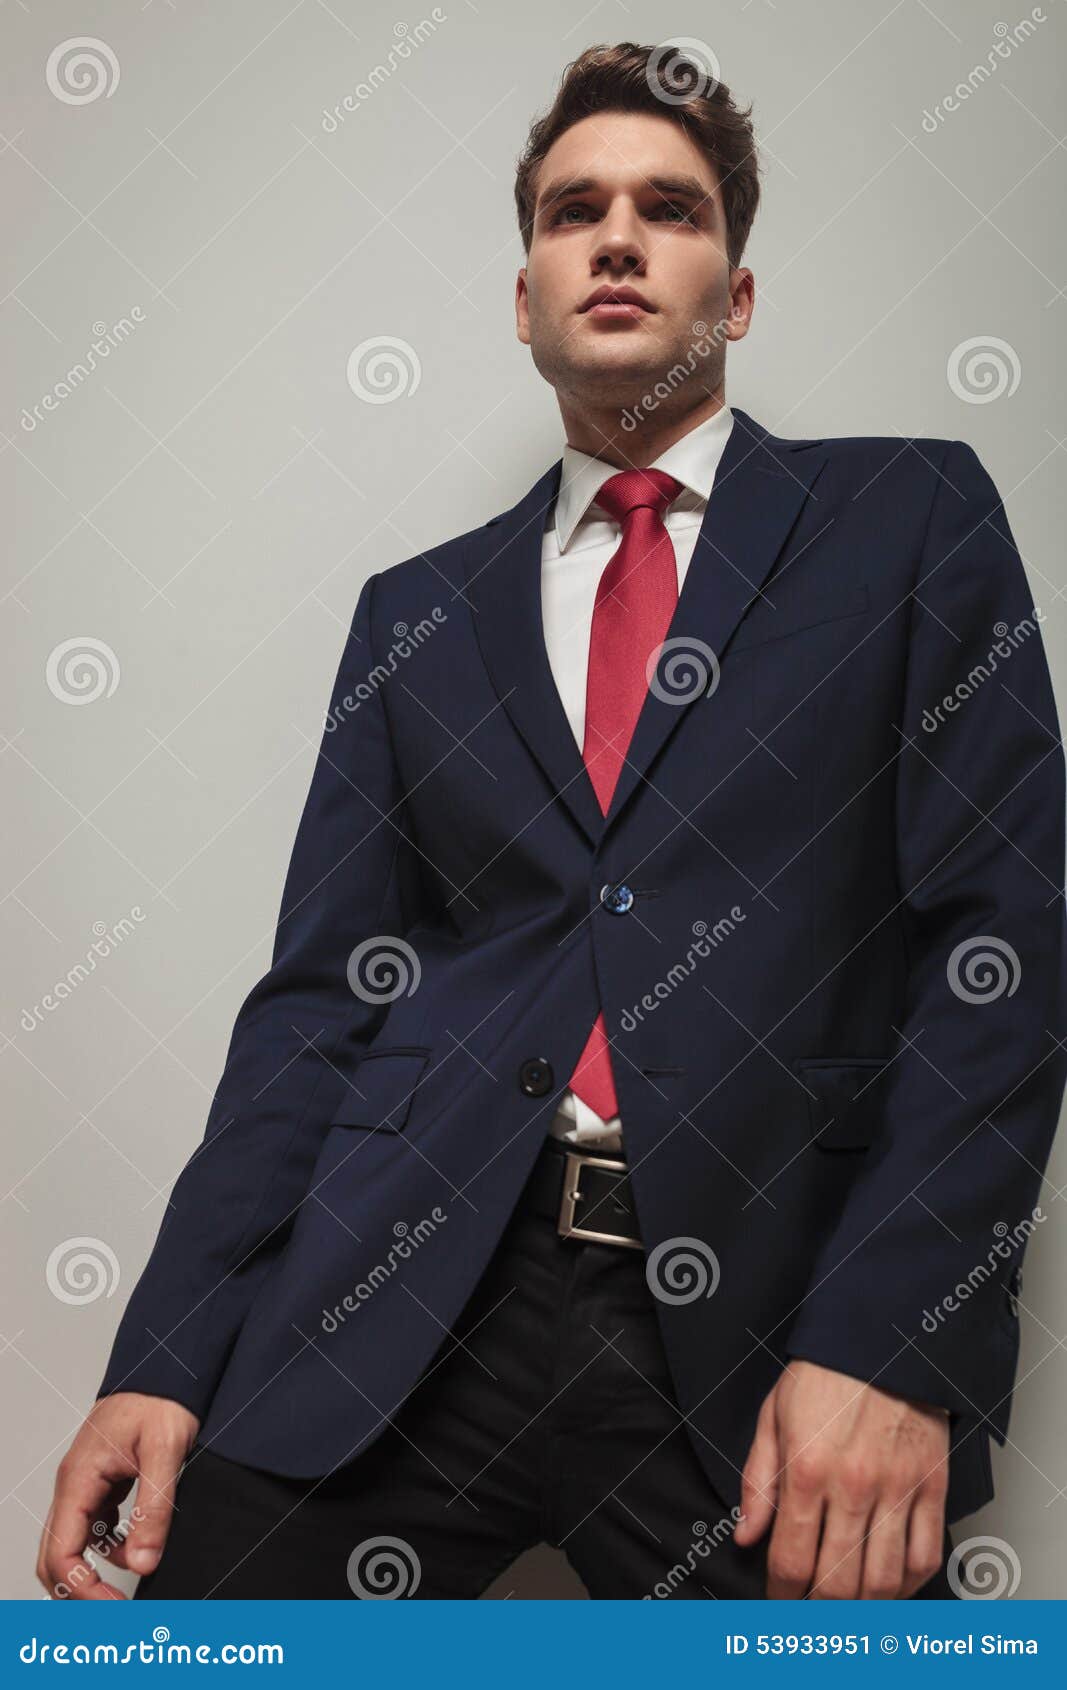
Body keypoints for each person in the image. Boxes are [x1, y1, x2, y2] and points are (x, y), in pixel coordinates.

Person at [37, 41, 1066, 1602]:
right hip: (398, 1306)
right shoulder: (420, 613)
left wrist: (895, 1333)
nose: (620, 233)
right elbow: (320, 1005)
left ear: (738, 289)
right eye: (574, 208)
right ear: (525, 296)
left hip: (768, 1326)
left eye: (672, 206)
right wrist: (166, 1351)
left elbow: (1008, 940)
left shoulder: (911, 519)